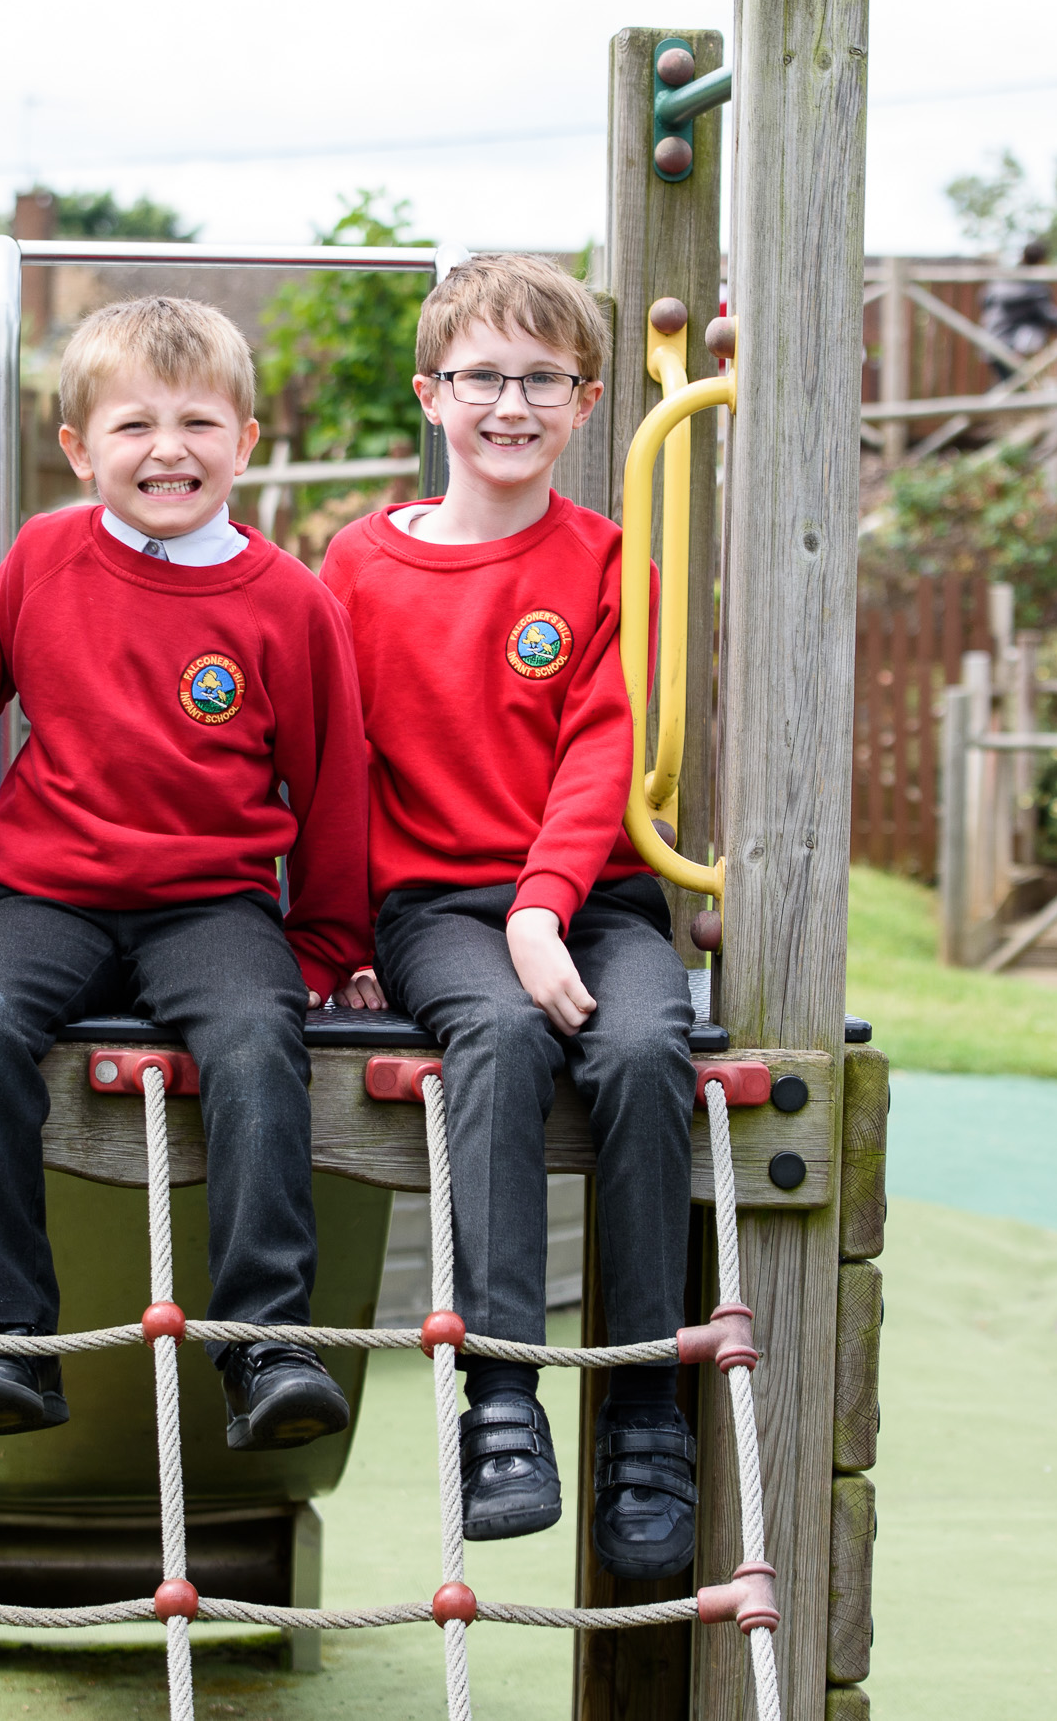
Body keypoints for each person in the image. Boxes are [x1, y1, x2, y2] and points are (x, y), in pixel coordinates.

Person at [0, 295, 370, 1452]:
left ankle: (267, 1341)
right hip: (47, 887)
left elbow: (331, 783)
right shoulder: (49, 552)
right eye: (134, 426)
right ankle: (8, 1333)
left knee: (261, 1038)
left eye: (200, 421)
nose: (169, 449)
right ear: (79, 449)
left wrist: (324, 943)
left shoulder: (286, 602)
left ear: (247, 440)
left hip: (208, 899)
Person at [317, 253, 700, 1581]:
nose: (511, 403)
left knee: (651, 1047)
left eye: (544, 379)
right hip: (436, 903)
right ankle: (503, 1396)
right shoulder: (359, 564)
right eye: (484, 376)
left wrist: (547, 909)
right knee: (493, 1031)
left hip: (592, 897)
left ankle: (648, 1414)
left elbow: (604, 749)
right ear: (434, 393)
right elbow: (329, 753)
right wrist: (339, 927)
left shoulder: (609, 566)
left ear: (588, 401)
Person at [978, 237, 1057, 382]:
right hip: (1015, 346)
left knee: (1007, 386)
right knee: (1016, 388)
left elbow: (983, 299)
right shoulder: (1035, 287)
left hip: (991, 340)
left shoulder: (1003, 280)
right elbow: (1047, 314)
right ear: (1043, 260)